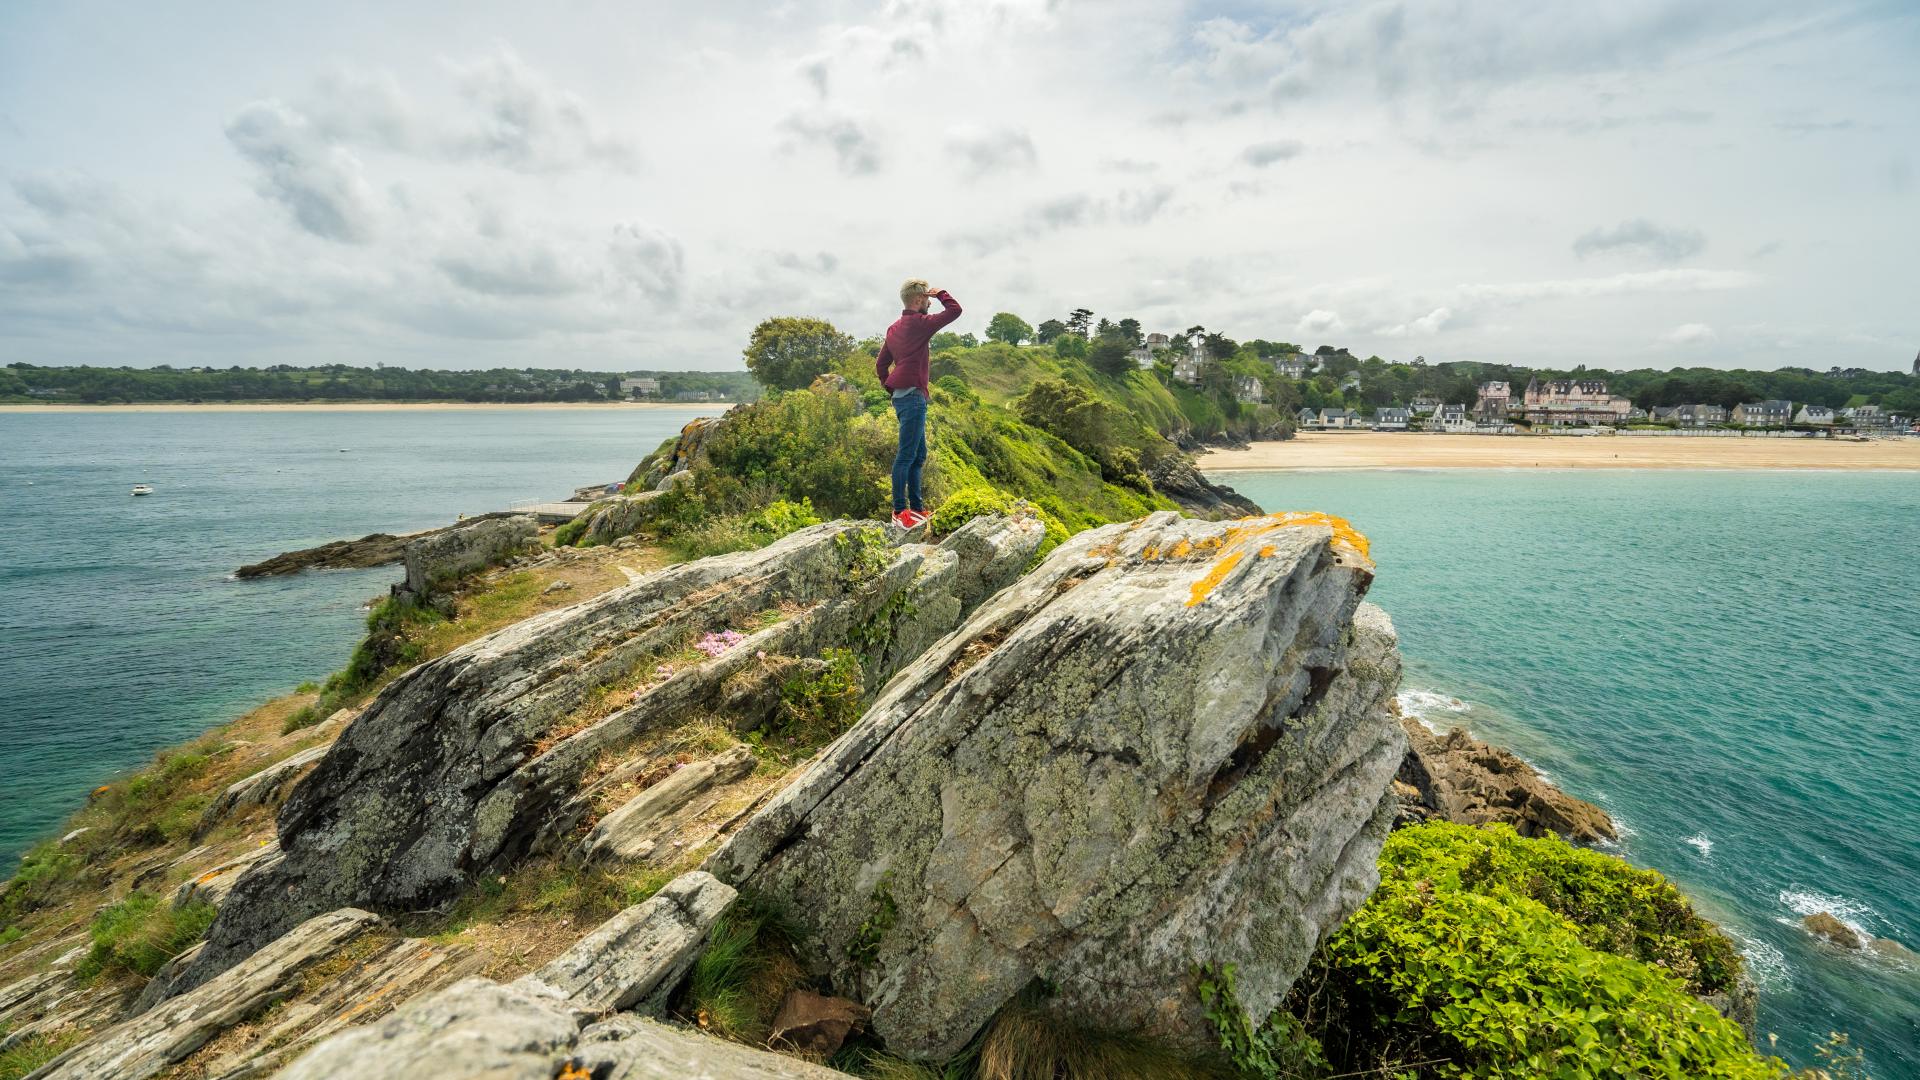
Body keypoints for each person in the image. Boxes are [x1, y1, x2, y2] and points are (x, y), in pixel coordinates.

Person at [875, 278, 961, 529]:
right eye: (927, 299)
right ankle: (899, 512)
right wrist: (941, 293)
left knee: (918, 454)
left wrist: (890, 389)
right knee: (906, 455)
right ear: (917, 300)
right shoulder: (920, 323)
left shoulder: (893, 329)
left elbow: (881, 365)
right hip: (912, 398)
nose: (930, 304)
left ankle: (917, 509)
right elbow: (955, 310)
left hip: (904, 397)